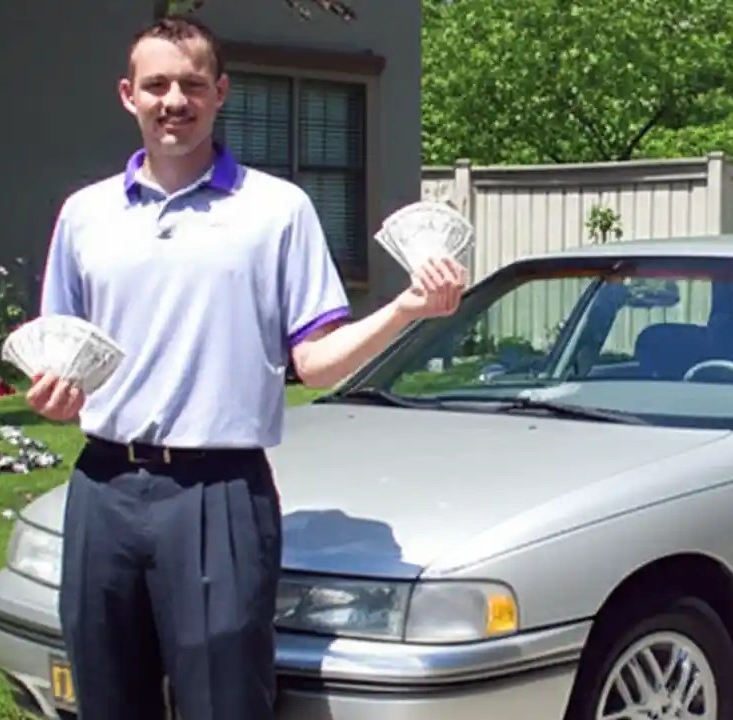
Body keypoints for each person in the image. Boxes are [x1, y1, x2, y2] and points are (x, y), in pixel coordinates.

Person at [24, 14, 467, 720]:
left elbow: (315, 363)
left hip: (219, 492)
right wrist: (53, 398)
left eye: (192, 84)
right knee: (106, 702)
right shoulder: (84, 216)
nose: (175, 100)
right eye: (157, 84)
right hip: (102, 487)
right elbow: (65, 366)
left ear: (221, 92)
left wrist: (406, 310)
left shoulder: (277, 211)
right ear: (127, 95)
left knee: (225, 703)